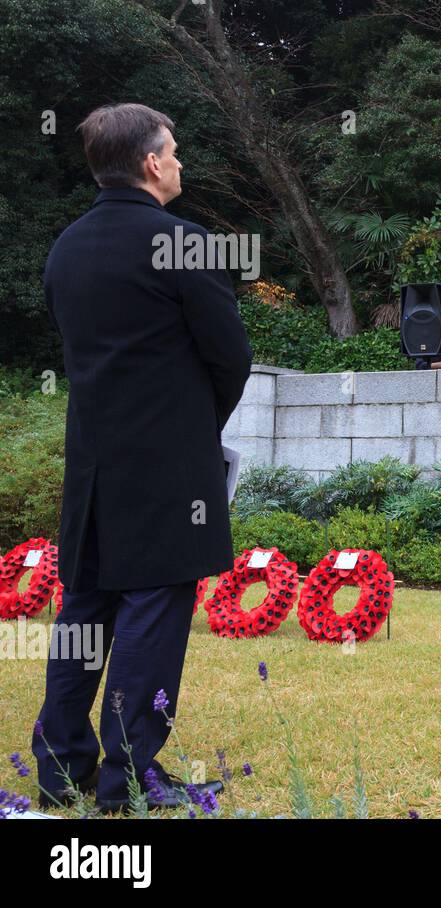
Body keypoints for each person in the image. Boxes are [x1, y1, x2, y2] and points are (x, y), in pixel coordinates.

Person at [35, 103, 251, 813]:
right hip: (166, 474)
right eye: (175, 150)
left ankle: (60, 768)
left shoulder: (65, 247)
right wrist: (193, 433)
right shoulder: (188, 243)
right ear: (152, 163)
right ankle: (124, 781)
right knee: (151, 617)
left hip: (92, 466)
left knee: (86, 611)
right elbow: (231, 359)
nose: (181, 161)